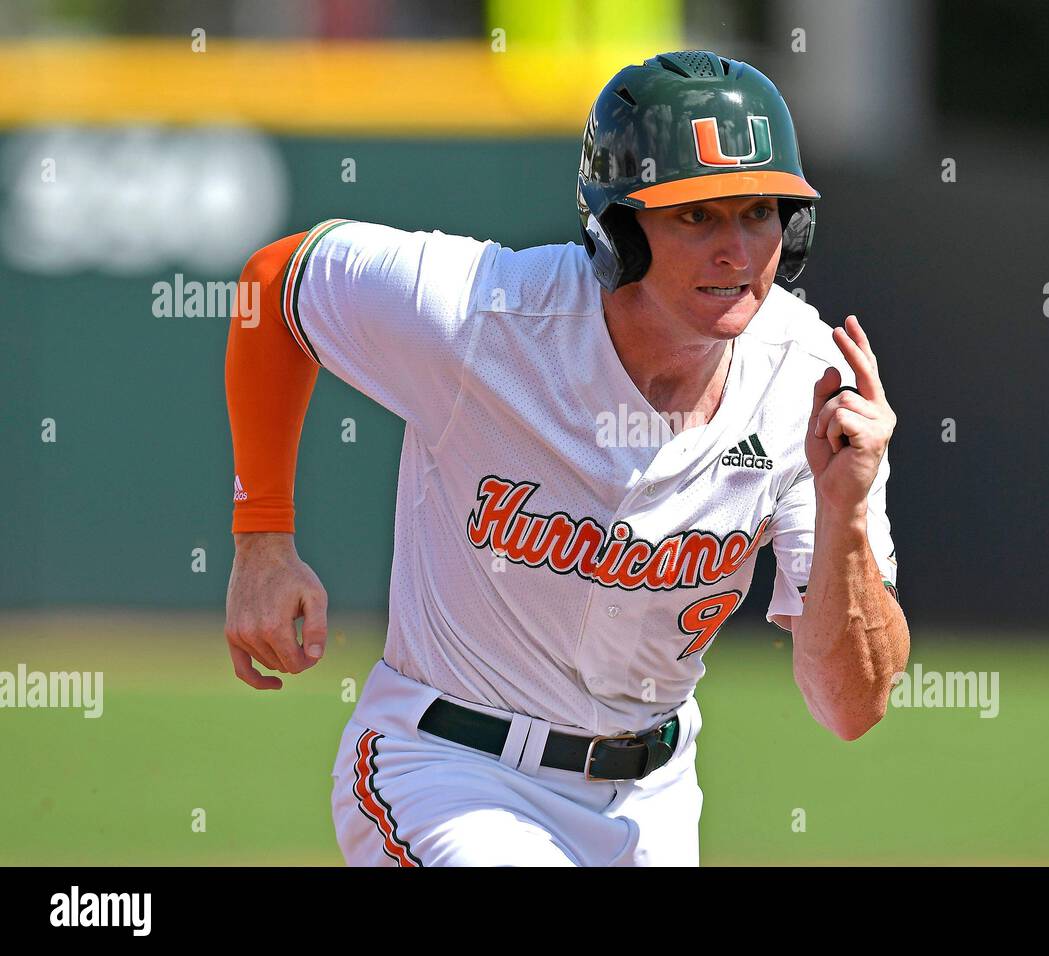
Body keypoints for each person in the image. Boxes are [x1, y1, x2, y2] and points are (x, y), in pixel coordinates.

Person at [224, 50, 908, 867]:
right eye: (697, 216)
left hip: (653, 801)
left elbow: (851, 707)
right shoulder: (486, 313)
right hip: (449, 767)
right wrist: (261, 538)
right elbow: (276, 283)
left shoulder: (810, 385)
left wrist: (846, 516)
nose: (737, 250)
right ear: (617, 227)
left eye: (759, 212)